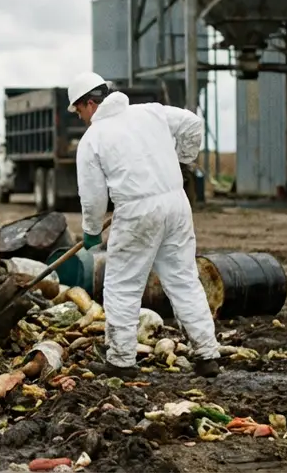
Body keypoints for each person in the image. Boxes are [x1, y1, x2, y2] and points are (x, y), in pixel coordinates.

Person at [67, 71, 220, 379]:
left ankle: (121, 361)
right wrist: (183, 158)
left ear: (88, 103)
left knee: (122, 285)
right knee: (184, 280)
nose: (81, 118)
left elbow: (93, 196)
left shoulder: (93, 139)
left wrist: (91, 229)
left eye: (79, 110)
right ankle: (207, 355)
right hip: (176, 206)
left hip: (137, 213)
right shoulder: (151, 111)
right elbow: (193, 123)